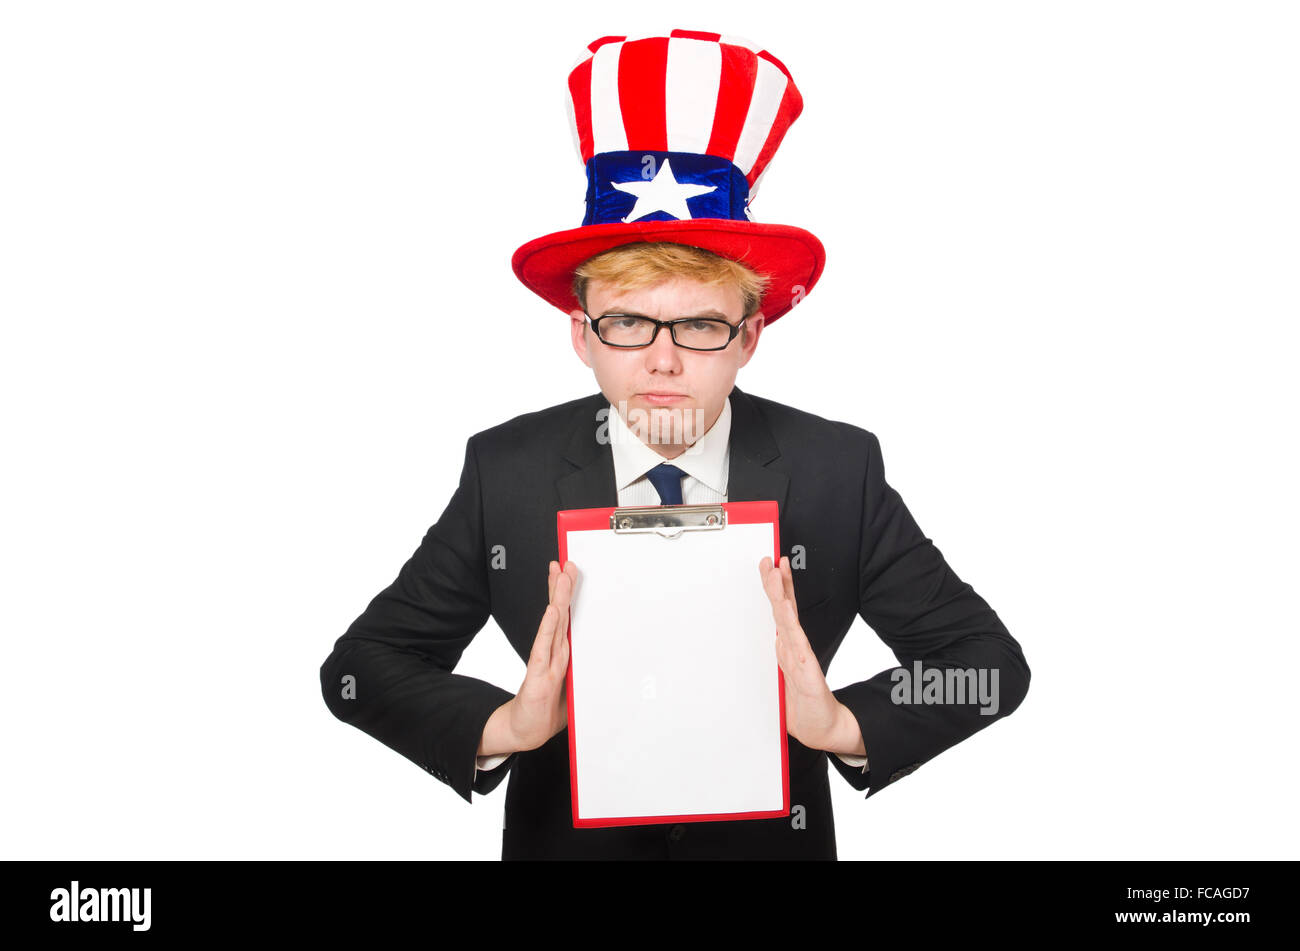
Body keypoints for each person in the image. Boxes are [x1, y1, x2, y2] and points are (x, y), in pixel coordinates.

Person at [319, 29, 1029, 860]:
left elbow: (986, 667)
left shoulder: (838, 469)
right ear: (582, 334)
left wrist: (841, 721)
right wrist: (507, 723)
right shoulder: (504, 470)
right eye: (627, 321)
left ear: (749, 336)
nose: (661, 358)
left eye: (698, 322)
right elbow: (360, 668)